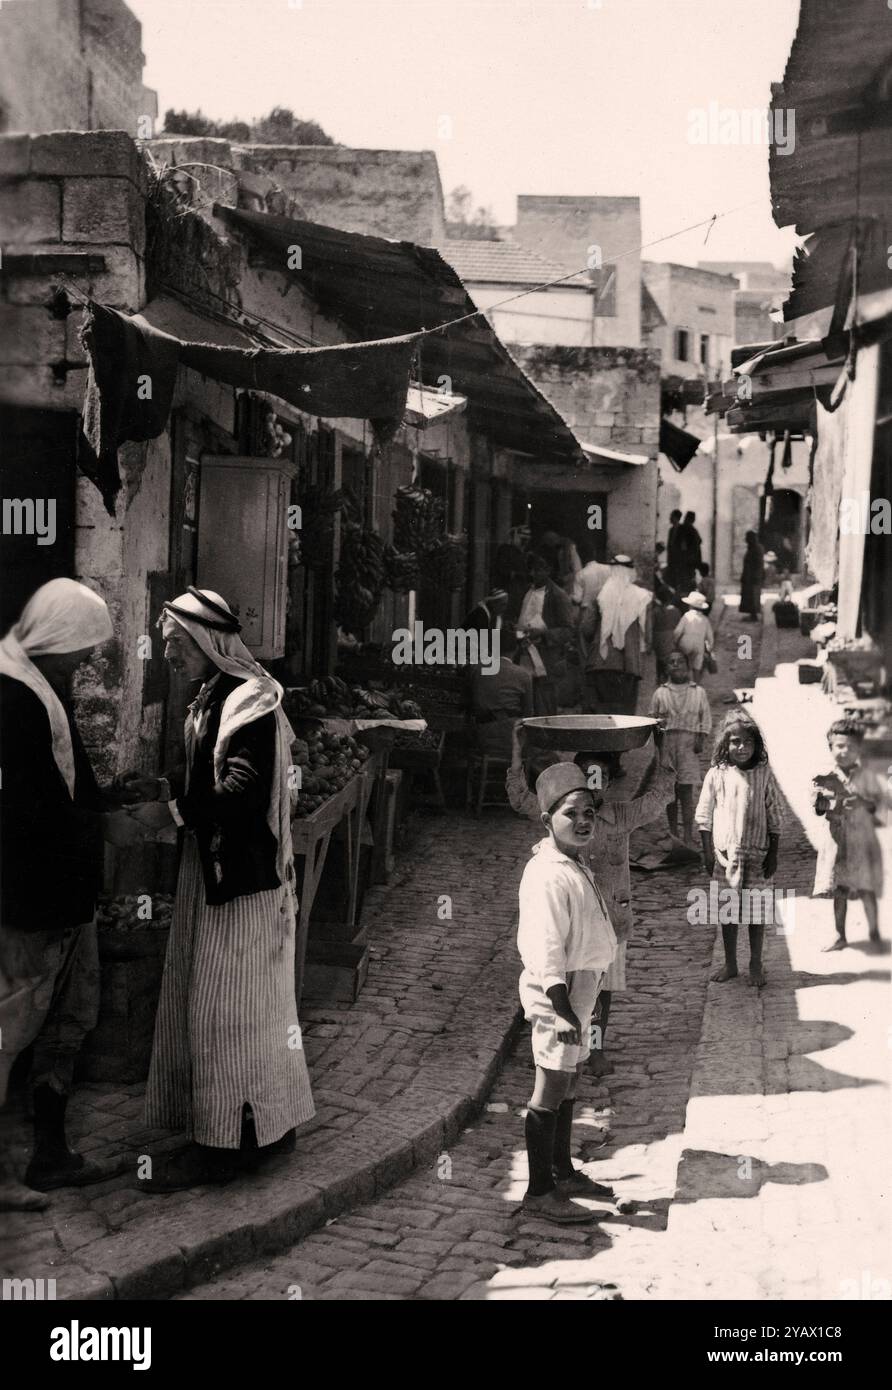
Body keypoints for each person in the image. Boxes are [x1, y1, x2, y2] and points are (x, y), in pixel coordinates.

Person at [122, 588, 314, 1189]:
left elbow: (242, 793)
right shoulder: (216, 694)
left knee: (226, 1014)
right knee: (248, 1011)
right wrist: (162, 788)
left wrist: (172, 815)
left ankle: (226, 1148)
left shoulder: (250, 701)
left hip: (242, 882)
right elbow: (209, 774)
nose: (171, 655)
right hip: (219, 872)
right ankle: (258, 1129)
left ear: (210, 642)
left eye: (179, 644)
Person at [0, 579, 123, 1210]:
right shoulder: (13, 696)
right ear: (60, 637)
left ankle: (51, 1155)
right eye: (84, 647)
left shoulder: (43, 686)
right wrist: (100, 825)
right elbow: (28, 812)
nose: (88, 660)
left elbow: (70, 784)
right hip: (32, 903)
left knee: (67, 1023)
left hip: (67, 897)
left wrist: (108, 805)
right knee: (9, 1033)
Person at [509, 726, 675, 1076]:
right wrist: (517, 750)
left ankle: (594, 1050)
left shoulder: (621, 817)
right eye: (588, 776)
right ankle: (551, 1052)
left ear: (611, 780)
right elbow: (520, 797)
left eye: (601, 776)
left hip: (610, 923)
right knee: (556, 983)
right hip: (566, 923)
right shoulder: (562, 818)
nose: (594, 783)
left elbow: (660, 795)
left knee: (602, 994)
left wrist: (663, 748)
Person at [516, 763, 617, 1223]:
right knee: (551, 1085)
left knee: (570, 1080)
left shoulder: (573, 864)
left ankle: (562, 1169)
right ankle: (539, 1192)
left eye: (589, 813)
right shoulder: (547, 875)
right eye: (570, 813)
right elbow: (545, 947)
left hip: (580, 988)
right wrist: (561, 1010)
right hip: (557, 992)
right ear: (546, 820)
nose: (582, 821)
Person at [695, 714, 784, 988]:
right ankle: (730, 962)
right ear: (726, 744)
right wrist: (708, 852)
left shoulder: (764, 774)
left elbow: (775, 815)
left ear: (757, 746)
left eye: (748, 742)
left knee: (756, 914)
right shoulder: (717, 774)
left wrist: (774, 853)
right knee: (728, 913)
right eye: (735, 742)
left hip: (757, 856)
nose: (742, 748)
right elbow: (704, 815)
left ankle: (756, 963)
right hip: (726, 857)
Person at [812, 719, 889, 952]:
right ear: (831, 748)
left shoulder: (866, 777)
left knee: (866, 887)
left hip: (862, 839)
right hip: (837, 841)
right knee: (840, 888)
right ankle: (839, 934)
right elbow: (818, 809)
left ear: (859, 750)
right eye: (839, 746)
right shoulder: (825, 778)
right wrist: (822, 801)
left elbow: (879, 804)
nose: (844, 752)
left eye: (851, 747)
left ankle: (875, 932)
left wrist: (863, 803)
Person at [650, 651, 712, 845]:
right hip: (668, 744)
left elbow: (706, 718)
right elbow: (653, 721)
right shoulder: (660, 693)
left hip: (688, 745)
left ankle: (687, 834)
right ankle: (673, 834)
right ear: (666, 668)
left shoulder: (698, 692)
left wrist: (700, 739)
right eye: (671, 662)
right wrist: (661, 749)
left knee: (686, 790)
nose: (676, 665)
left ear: (688, 666)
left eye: (680, 662)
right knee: (670, 793)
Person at [580, 555, 652, 715]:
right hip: (629, 666)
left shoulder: (600, 595)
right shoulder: (642, 597)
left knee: (600, 712)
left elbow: (586, 628)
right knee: (624, 714)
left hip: (600, 662)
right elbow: (648, 637)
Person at [514, 553, 576, 716]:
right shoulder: (529, 592)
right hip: (526, 655)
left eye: (538, 570)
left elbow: (568, 631)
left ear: (548, 570)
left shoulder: (558, 596)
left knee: (544, 707)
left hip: (546, 660)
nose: (533, 574)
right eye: (531, 570)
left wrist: (544, 633)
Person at [470, 652, 533, 760]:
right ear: (515, 649)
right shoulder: (523, 674)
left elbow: (468, 704)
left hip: (483, 737)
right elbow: (528, 714)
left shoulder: (476, 669)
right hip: (512, 740)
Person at [674, 591, 714, 683]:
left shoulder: (686, 616)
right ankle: (696, 686)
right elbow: (710, 637)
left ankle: (683, 682)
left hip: (685, 644)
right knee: (697, 667)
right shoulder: (705, 620)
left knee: (684, 664)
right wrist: (709, 649)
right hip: (699, 645)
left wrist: (675, 642)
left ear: (690, 605)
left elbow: (677, 631)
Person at [652, 583, 682, 683]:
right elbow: (679, 626)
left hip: (658, 637)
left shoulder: (655, 611)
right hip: (671, 637)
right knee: (670, 657)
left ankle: (659, 676)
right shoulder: (676, 611)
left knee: (659, 658)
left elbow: (653, 625)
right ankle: (668, 676)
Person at [539, 529, 582, 597]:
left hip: (571, 584)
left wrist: (565, 578)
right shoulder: (557, 551)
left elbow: (577, 569)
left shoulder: (569, 548)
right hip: (564, 583)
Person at [740, 530, 765, 620]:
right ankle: (752, 614)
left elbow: (757, 564)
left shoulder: (757, 549)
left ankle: (753, 615)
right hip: (749, 576)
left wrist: (754, 576)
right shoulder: (752, 548)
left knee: (753, 596)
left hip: (753, 576)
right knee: (750, 596)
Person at [665, 509, 683, 591]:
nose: (670, 518)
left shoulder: (682, 529)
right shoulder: (670, 530)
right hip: (672, 561)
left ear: (676, 518)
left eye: (671, 516)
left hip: (679, 561)